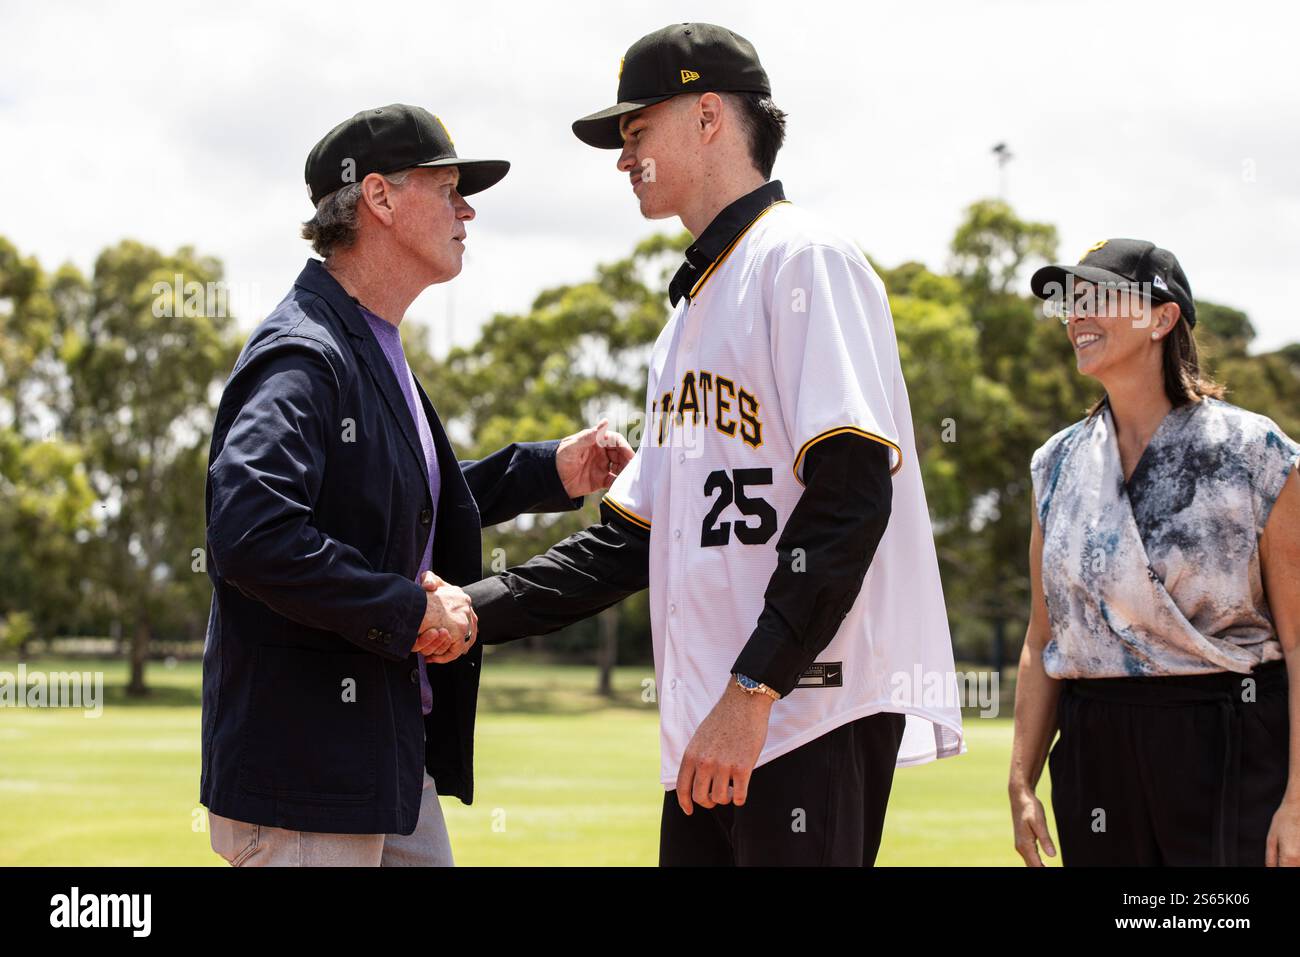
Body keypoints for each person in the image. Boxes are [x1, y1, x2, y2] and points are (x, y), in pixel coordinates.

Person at [452, 23, 964, 867]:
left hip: (802, 708)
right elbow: (626, 546)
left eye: (636, 129)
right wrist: (472, 608)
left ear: (709, 116)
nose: (624, 157)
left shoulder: (804, 260)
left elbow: (850, 497)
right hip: (716, 726)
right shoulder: (687, 317)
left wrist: (755, 684)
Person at [200, 104, 632, 866]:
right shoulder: (305, 353)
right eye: (448, 188)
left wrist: (547, 470)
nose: (466, 209)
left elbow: (400, 501)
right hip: (308, 782)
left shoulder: (370, 339)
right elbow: (251, 531)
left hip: (386, 764)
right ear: (380, 198)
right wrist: (410, 611)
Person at [1009, 238, 1300, 866]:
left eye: (1094, 298)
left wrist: (1298, 799)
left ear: (1162, 318)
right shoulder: (1054, 464)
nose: (1074, 316)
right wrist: (1021, 781)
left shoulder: (1257, 452)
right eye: (1069, 303)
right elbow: (1042, 636)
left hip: (1229, 739)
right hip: (1095, 749)